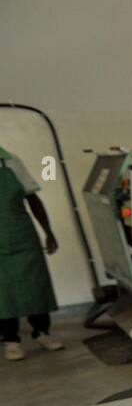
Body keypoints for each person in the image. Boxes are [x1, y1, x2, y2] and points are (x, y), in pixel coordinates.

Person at [0, 145, 63, 361]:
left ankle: (42, 333)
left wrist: (49, 232)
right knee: (3, 292)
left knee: (35, 284)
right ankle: (10, 340)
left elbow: (33, 200)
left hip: (22, 234)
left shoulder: (11, 161)